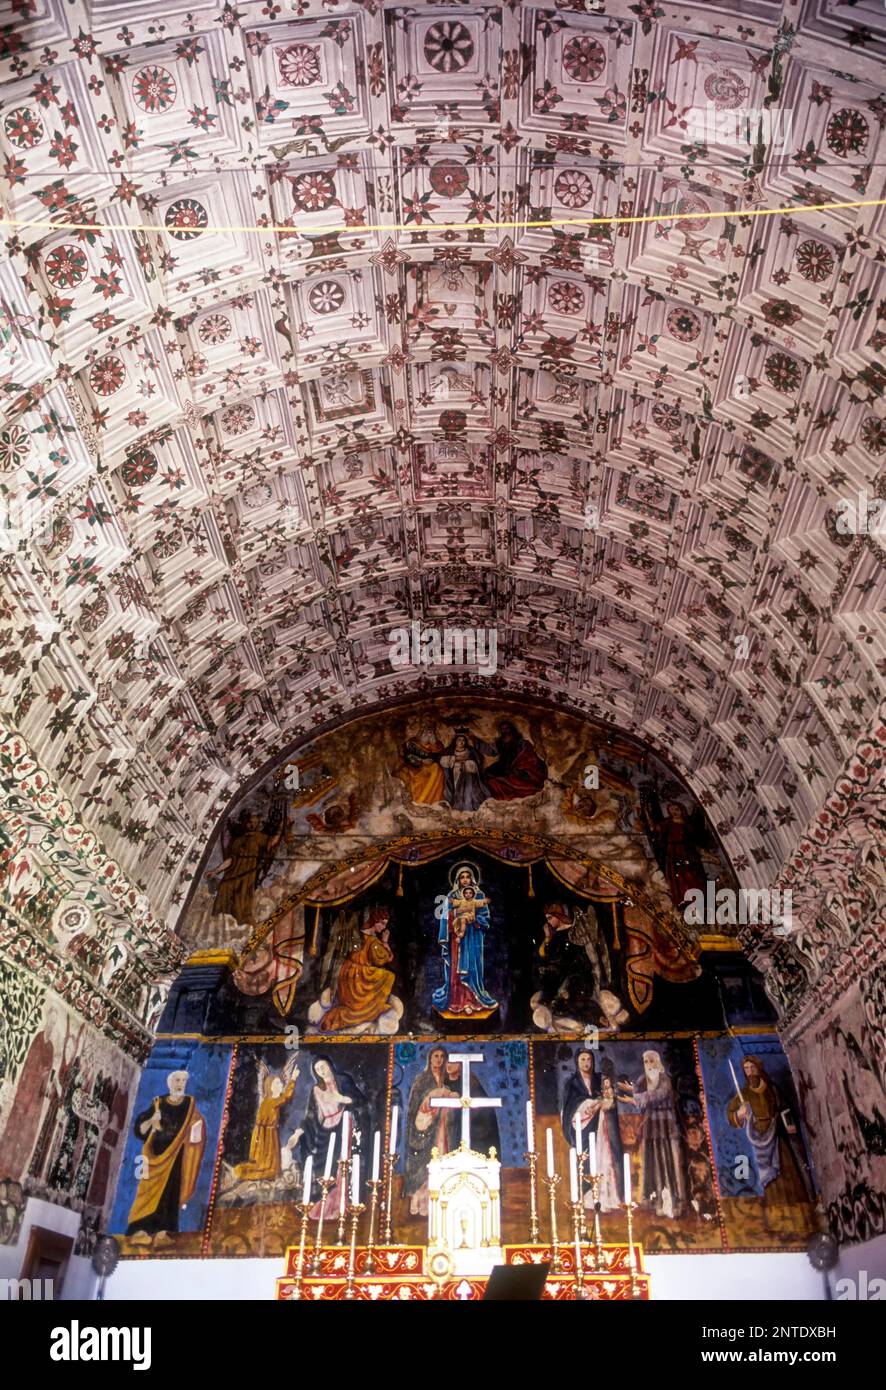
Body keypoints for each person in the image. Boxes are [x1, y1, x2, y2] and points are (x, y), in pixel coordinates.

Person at [727, 1055, 812, 1224]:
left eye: (752, 1068)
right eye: (746, 1069)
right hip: (757, 1140)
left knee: (786, 1170)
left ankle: (800, 1212)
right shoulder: (743, 1094)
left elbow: (785, 1109)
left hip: (776, 1136)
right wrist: (740, 1114)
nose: (750, 1072)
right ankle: (775, 1216)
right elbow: (731, 1115)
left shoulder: (772, 1090)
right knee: (767, 1179)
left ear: (759, 1069)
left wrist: (789, 1126)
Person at [127, 1071, 206, 1238]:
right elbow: (140, 1130)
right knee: (146, 1191)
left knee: (171, 1192)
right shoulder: (159, 1103)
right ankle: (139, 1227)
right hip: (154, 1155)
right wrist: (152, 1121)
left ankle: (165, 1230)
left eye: (183, 1081)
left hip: (176, 1155)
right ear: (170, 1083)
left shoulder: (189, 1104)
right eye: (177, 1080)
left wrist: (196, 1128)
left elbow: (196, 1127)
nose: (180, 1084)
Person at [287, 1056, 366, 1213]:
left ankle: (340, 1203)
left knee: (340, 1164)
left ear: (329, 1065)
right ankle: (322, 1202)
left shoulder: (343, 1080)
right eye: (317, 1069)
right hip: (324, 1131)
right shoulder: (316, 1090)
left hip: (344, 1125)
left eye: (323, 1066)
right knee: (321, 1166)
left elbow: (360, 1100)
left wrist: (341, 1098)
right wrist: (297, 1133)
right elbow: (311, 1115)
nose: (321, 1070)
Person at [618, 1050, 686, 1218]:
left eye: (651, 1061)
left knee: (667, 1161)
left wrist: (634, 1098)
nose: (648, 1064)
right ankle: (655, 1200)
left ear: (657, 1062)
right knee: (653, 1161)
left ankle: (672, 1199)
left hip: (666, 1127)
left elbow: (657, 1095)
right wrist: (631, 1090)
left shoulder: (665, 1080)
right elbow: (639, 1092)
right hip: (651, 1128)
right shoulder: (643, 1080)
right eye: (645, 1061)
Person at [560, 1050, 624, 1210]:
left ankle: (610, 1195)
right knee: (588, 1160)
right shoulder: (573, 1083)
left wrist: (602, 1102)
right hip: (583, 1128)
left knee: (606, 1157)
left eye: (589, 1059)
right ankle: (588, 1196)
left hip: (602, 1127)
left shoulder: (599, 1078)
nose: (586, 1063)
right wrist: (588, 1104)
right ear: (577, 1062)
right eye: (583, 1059)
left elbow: (609, 1096)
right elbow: (569, 1108)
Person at [432, 865, 497, 1016]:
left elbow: (485, 917)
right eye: (462, 877)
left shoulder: (479, 895)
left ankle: (472, 1001)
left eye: (468, 877)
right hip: (457, 938)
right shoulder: (452, 895)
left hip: (473, 937)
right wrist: (457, 913)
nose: (465, 880)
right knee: (456, 969)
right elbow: (445, 916)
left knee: (472, 968)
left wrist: (475, 920)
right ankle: (456, 1001)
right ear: (458, 880)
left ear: (472, 878)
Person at [321, 908, 396, 1032]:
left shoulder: (357, 934)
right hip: (359, 976)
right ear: (374, 920)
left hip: (346, 971)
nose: (383, 928)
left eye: (385, 925)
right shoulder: (373, 941)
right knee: (388, 976)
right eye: (382, 923)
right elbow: (386, 958)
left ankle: (365, 1008)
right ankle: (369, 1009)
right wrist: (385, 941)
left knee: (351, 1006)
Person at [404, 1047, 458, 1215]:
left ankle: (439, 1200)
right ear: (430, 1059)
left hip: (441, 1127)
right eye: (436, 1056)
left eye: (442, 1056)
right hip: (425, 1127)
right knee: (424, 1163)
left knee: (440, 1158)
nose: (439, 1060)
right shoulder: (422, 1080)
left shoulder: (444, 1081)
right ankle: (419, 1201)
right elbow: (415, 1105)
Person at [206, 810, 281, 923]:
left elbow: (272, 842)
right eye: (250, 822)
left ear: (258, 824)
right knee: (224, 887)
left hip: (248, 873)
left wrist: (281, 828)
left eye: (255, 823)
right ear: (245, 823)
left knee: (242, 897)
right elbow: (230, 860)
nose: (252, 825)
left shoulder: (259, 837)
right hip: (234, 871)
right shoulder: (238, 840)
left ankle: (241, 923)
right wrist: (216, 871)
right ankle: (219, 920)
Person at [233, 1057, 298, 1182]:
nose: (281, 1085)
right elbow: (286, 1096)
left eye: (280, 1083)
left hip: (269, 1134)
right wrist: (293, 1078)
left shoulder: (270, 1101)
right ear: (271, 1087)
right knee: (267, 1168)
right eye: (278, 1084)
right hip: (266, 1137)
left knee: (271, 1167)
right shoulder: (270, 1102)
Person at [477, 720, 547, 800]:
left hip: (517, 764)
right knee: (487, 774)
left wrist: (520, 765)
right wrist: (477, 743)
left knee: (518, 779)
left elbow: (527, 754)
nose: (505, 731)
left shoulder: (520, 742)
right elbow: (490, 751)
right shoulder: (500, 742)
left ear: (512, 729)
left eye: (507, 728)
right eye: (503, 729)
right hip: (503, 765)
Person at [439, 731, 490, 811]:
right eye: (459, 740)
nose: (461, 742)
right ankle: (452, 802)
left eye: (463, 740)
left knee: (468, 783)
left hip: (467, 773)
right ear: (455, 741)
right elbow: (442, 761)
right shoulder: (449, 750)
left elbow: (477, 762)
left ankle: (466, 805)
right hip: (452, 774)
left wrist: (466, 763)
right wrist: (454, 759)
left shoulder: (470, 751)